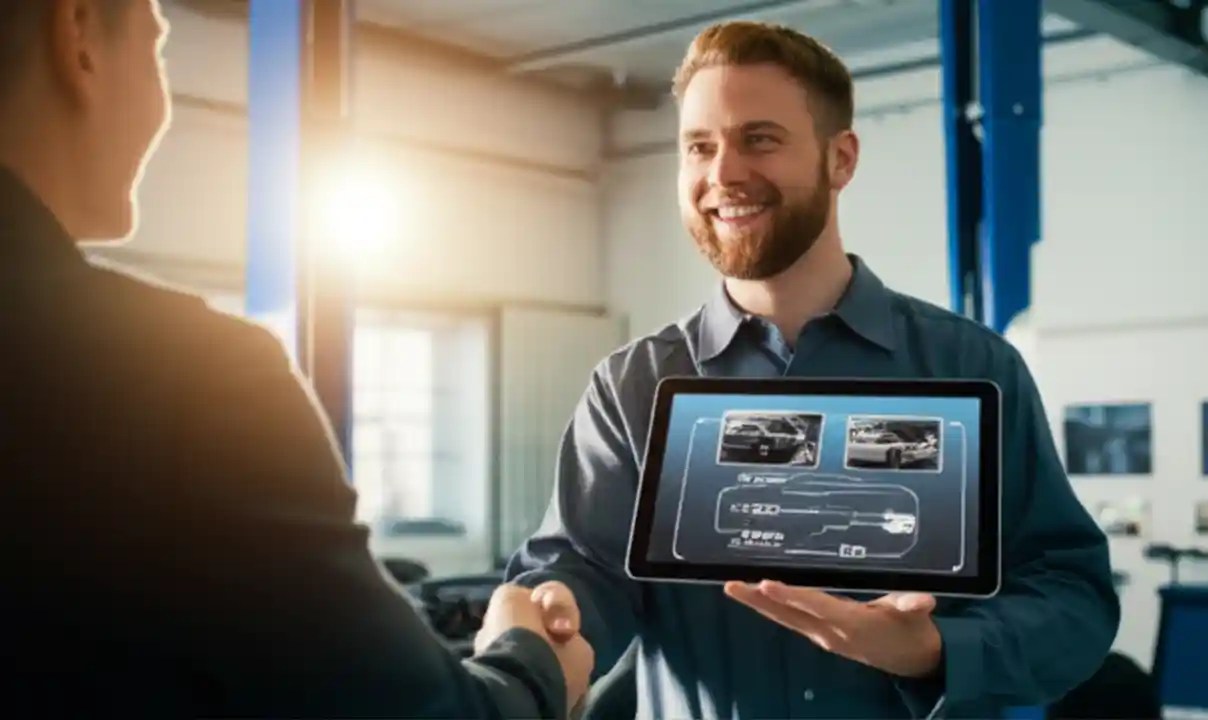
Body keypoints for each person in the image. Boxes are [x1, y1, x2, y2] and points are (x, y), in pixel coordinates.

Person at [507, 20, 1120, 719]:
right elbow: (585, 572)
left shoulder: (971, 366)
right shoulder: (632, 388)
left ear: (841, 159)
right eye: (699, 146)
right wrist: (560, 610)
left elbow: (1073, 599)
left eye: (759, 139)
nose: (723, 173)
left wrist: (937, 649)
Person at [0, 1, 591, 716]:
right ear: (80, 34)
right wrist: (529, 660)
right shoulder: (180, 377)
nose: (163, 104)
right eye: (159, 51)